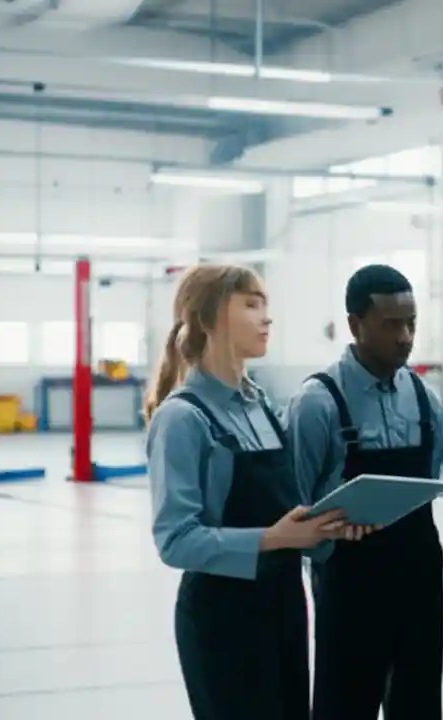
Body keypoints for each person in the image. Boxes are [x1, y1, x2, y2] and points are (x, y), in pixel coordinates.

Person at [144, 263, 374, 720]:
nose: (266, 318)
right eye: (251, 304)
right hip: (222, 618)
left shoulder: (265, 408)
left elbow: (289, 513)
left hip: (285, 606)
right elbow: (175, 540)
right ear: (208, 318)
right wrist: (274, 539)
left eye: (266, 305)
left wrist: (330, 524)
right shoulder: (184, 418)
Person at [284, 263, 443, 720]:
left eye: (411, 323)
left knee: (418, 699)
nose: (404, 336)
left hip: (418, 576)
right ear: (355, 325)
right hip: (349, 584)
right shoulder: (317, 404)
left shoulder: (425, 400)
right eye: (390, 325)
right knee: (345, 703)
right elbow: (294, 506)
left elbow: (426, 481)